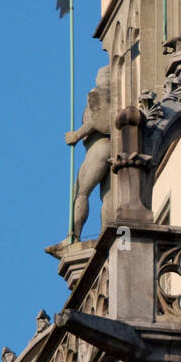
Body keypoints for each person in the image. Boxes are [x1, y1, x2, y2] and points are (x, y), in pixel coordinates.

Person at [65, 65, 111, 240]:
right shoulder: (118, 95)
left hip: (98, 147)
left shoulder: (99, 92)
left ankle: (73, 236)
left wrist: (76, 135)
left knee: (81, 192)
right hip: (111, 147)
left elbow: (97, 119)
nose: (99, 78)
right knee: (107, 196)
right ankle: (106, 237)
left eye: (100, 75)